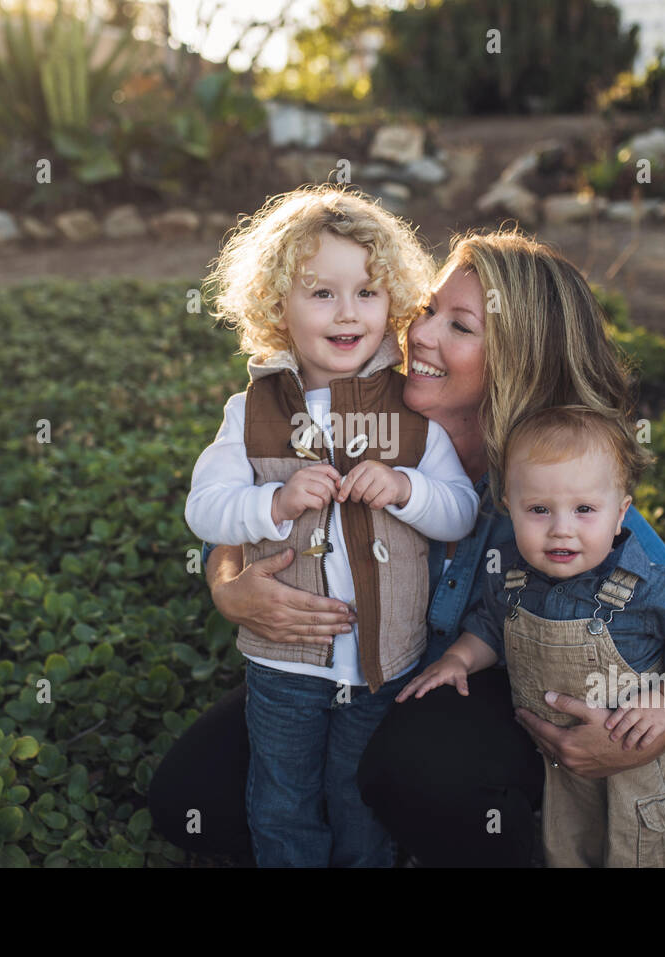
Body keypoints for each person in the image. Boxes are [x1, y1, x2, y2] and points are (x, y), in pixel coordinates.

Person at [151, 229, 665, 866]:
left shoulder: (549, 488)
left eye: (461, 327)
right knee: (191, 800)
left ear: (519, 358)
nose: (423, 336)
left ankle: (464, 828)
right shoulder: (362, 407)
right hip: (331, 665)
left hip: (474, 687)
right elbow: (247, 500)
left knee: (416, 771)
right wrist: (228, 586)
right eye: (427, 310)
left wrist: (635, 739)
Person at [185, 185, 479, 866]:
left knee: (358, 798)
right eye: (321, 293)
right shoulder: (251, 410)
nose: (348, 312)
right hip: (282, 663)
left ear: (394, 302)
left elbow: (460, 510)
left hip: (386, 660)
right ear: (276, 305)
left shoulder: (412, 415)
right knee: (282, 796)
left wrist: (406, 488)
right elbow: (204, 506)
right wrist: (274, 505)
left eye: (368, 293)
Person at [399, 405, 665, 866]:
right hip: (562, 773)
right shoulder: (512, 577)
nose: (562, 529)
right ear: (510, 508)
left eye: (584, 510)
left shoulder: (650, 588)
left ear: (620, 513)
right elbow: (490, 627)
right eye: (539, 509)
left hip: (644, 777)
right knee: (568, 852)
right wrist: (459, 658)